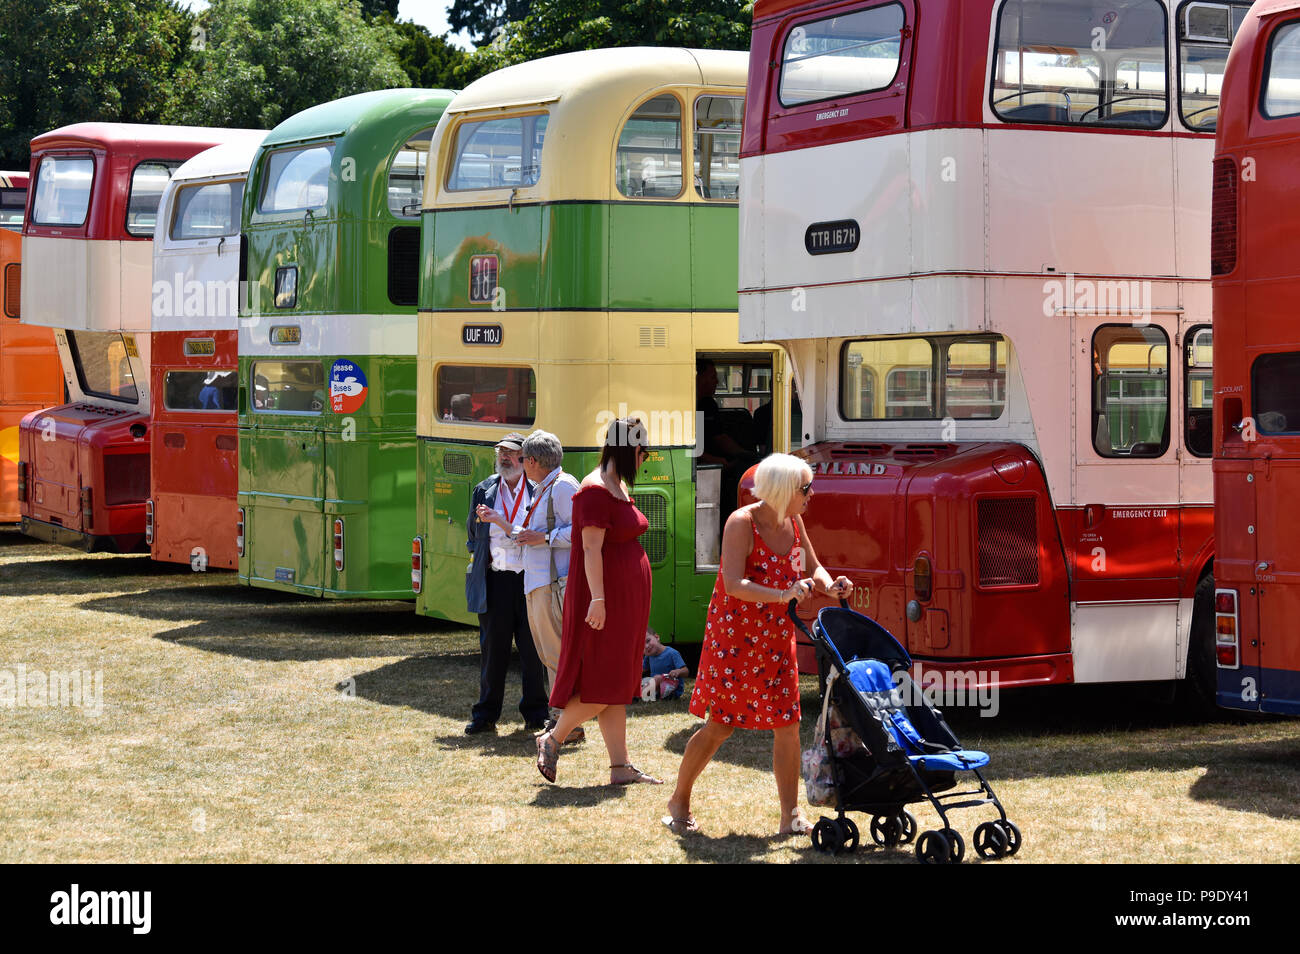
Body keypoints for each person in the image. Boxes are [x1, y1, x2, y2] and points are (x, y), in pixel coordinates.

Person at [663, 453, 853, 835]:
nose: (811, 494)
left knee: (788, 723)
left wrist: (830, 585)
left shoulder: (794, 520)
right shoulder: (741, 523)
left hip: (776, 637)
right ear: (784, 491)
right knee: (719, 726)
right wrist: (783, 594)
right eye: (805, 489)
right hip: (735, 638)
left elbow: (812, 566)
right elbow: (733, 584)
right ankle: (679, 798)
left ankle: (791, 815)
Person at [535, 418, 662, 785]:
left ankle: (620, 767)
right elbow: (590, 549)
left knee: (618, 680)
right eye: (642, 452)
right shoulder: (593, 490)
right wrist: (600, 601)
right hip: (602, 601)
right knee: (604, 682)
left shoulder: (616, 485)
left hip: (623, 602)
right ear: (627, 449)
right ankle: (553, 737)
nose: (644, 459)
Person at [464, 433, 550, 735]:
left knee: (532, 649)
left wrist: (503, 522)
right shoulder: (484, 489)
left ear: (526, 458)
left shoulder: (538, 489)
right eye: (500, 451)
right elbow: (472, 536)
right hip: (496, 580)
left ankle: (537, 714)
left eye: (511, 453)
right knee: (493, 650)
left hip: (530, 580)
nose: (504, 457)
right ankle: (485, 715)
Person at [515, 429, 583, 743]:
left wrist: (542, 538)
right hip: (539, 581)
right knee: (548, 653)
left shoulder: (563, 486)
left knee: (557, 653)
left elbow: (584, 531)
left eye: (523, 458)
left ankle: (567, 723)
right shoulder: (544, 487)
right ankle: (563, 721)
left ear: (532, 460)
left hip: (555, 583)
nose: (520, 464)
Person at [642, 628, 688, 701]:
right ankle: (637, 693)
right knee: (640, 680)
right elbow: (641, 670)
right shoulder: (649, 656)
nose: (646, 646)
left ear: (657, 637)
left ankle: (639, 695)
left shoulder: (672, 653)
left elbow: (686, 671)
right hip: (656, 687)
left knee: (657, 678)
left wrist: (677, 671)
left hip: (672, 689)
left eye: (648, 641)